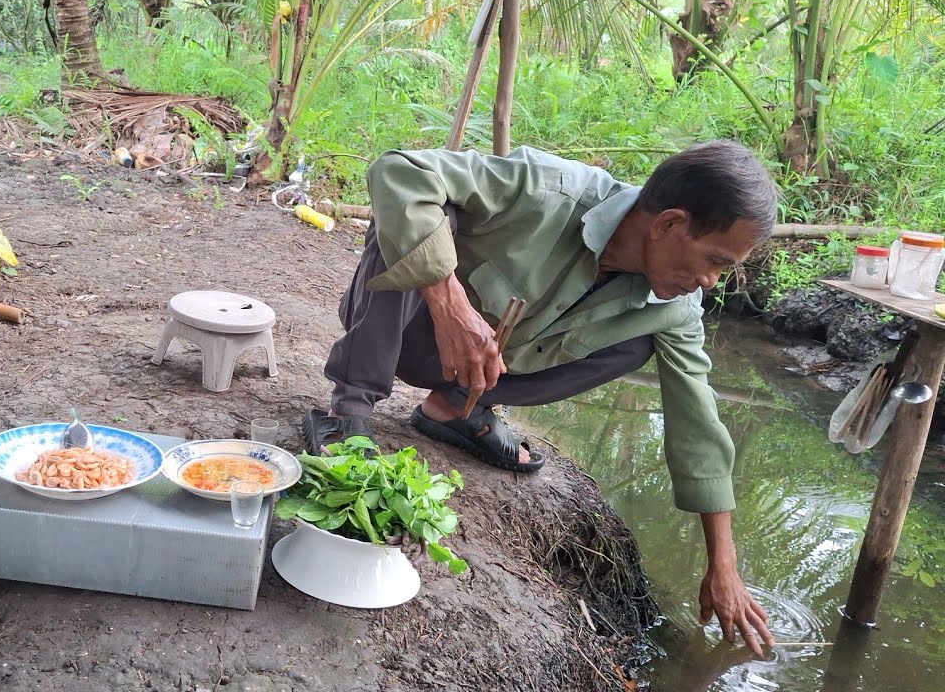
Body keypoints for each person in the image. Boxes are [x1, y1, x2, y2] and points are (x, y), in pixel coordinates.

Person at [304, 140, 778, 654]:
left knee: (639, 342)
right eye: (714, 261)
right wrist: (450, 305)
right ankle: (348, 409)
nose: (710, 281)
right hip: (408, 328)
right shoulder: (547, 189)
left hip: (475, 370)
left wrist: (723, 565)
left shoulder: (676, 308)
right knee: (420, 215)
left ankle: (455, 407)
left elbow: (698, 423)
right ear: (668, 224)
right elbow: (398, 171)